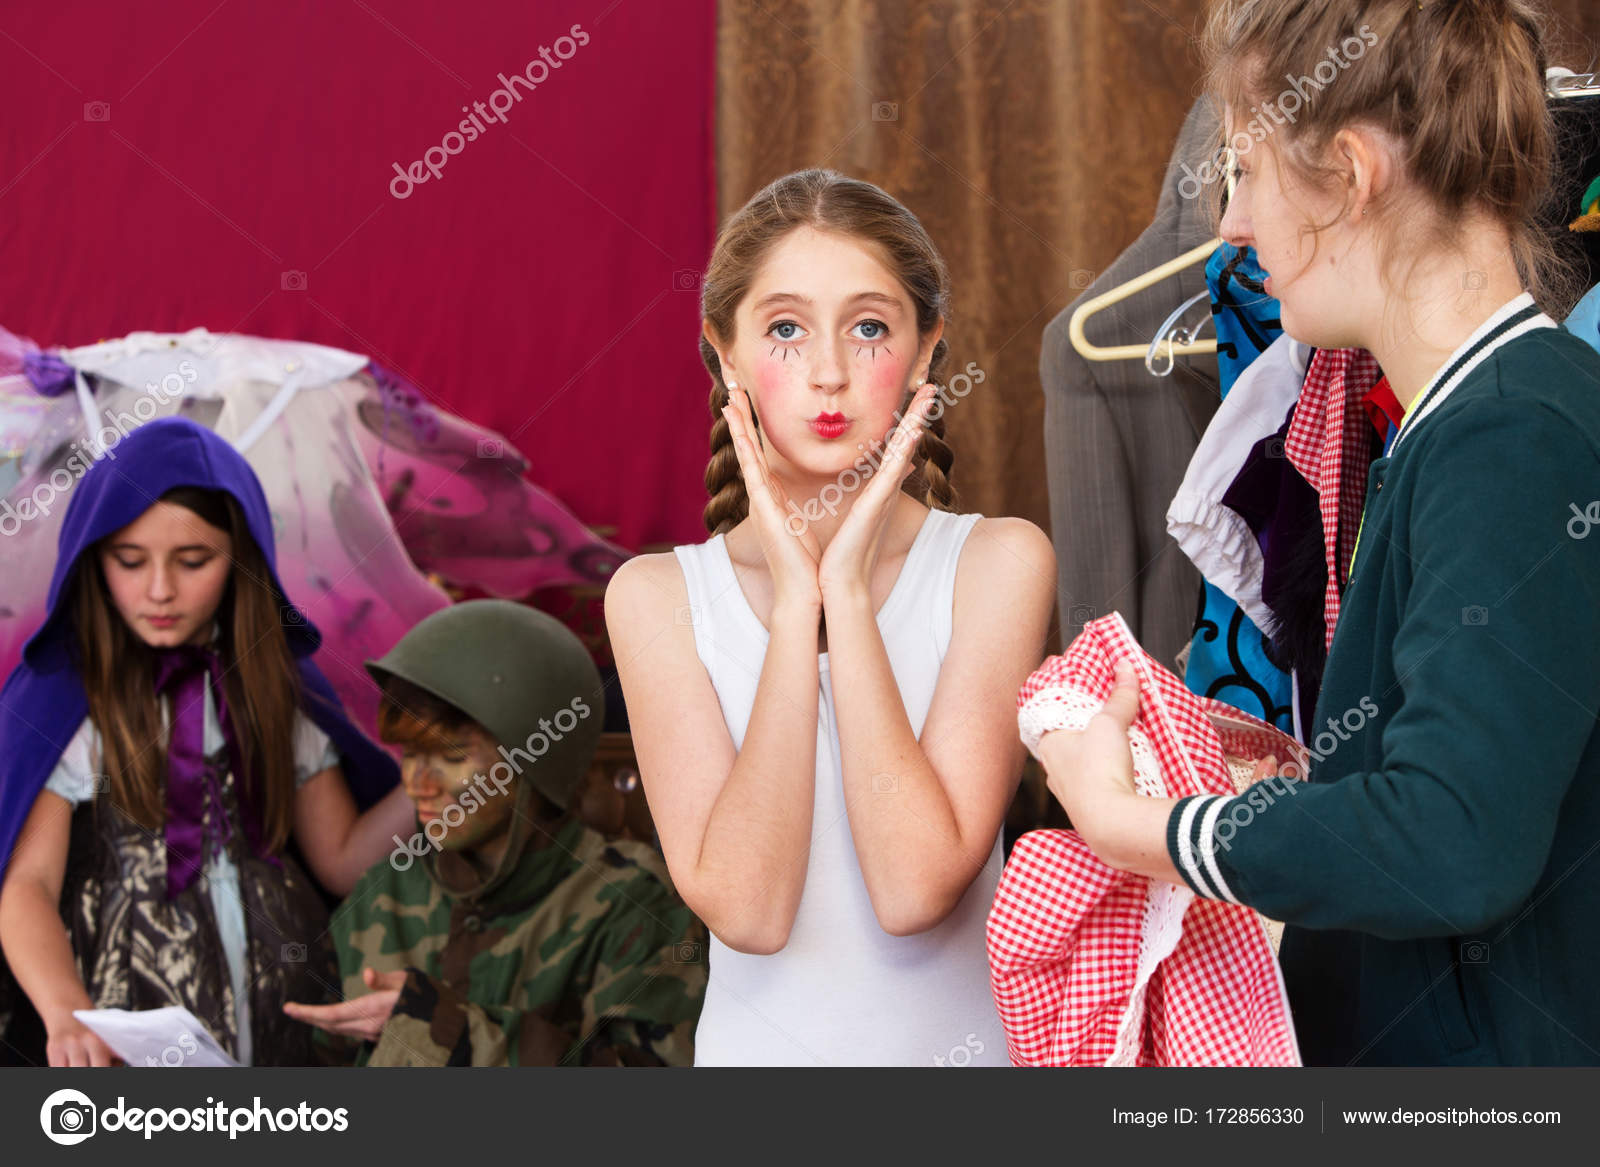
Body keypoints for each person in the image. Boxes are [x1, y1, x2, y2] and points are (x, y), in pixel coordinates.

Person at [1040, 0, 1600, 1065]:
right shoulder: (1472, 425)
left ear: (1347, 173)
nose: (1229, 225)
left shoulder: (1509, 439)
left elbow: (1452, 841)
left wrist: (1137, 828)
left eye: (1245, 170)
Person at [605, 169, 1057, 1065]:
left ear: (926, 351)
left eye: (869, 327)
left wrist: (842, 591)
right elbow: (750, 908)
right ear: (725, 354)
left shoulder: (999, 562)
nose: (827, 373)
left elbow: (914, 887)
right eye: (783, 329)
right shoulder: (654, 595)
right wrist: (795, 605)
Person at [0, 416, 412, 1067]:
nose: (160, 589)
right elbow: (26, 884)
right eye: (130, 561)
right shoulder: (68, 701)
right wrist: (64, 1011)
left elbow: (339, 858)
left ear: (241, 561)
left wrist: (437, 777)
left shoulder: (276, 689)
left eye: (194, 561)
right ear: (92, 558)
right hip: (122, 989)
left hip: (281, 984)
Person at [285, 599, 706, 1066]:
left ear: (535, 760)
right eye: (408, 753)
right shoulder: (381, 898)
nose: (415, 784)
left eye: (450, 756)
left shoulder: (632, 903)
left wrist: (453, 1034)